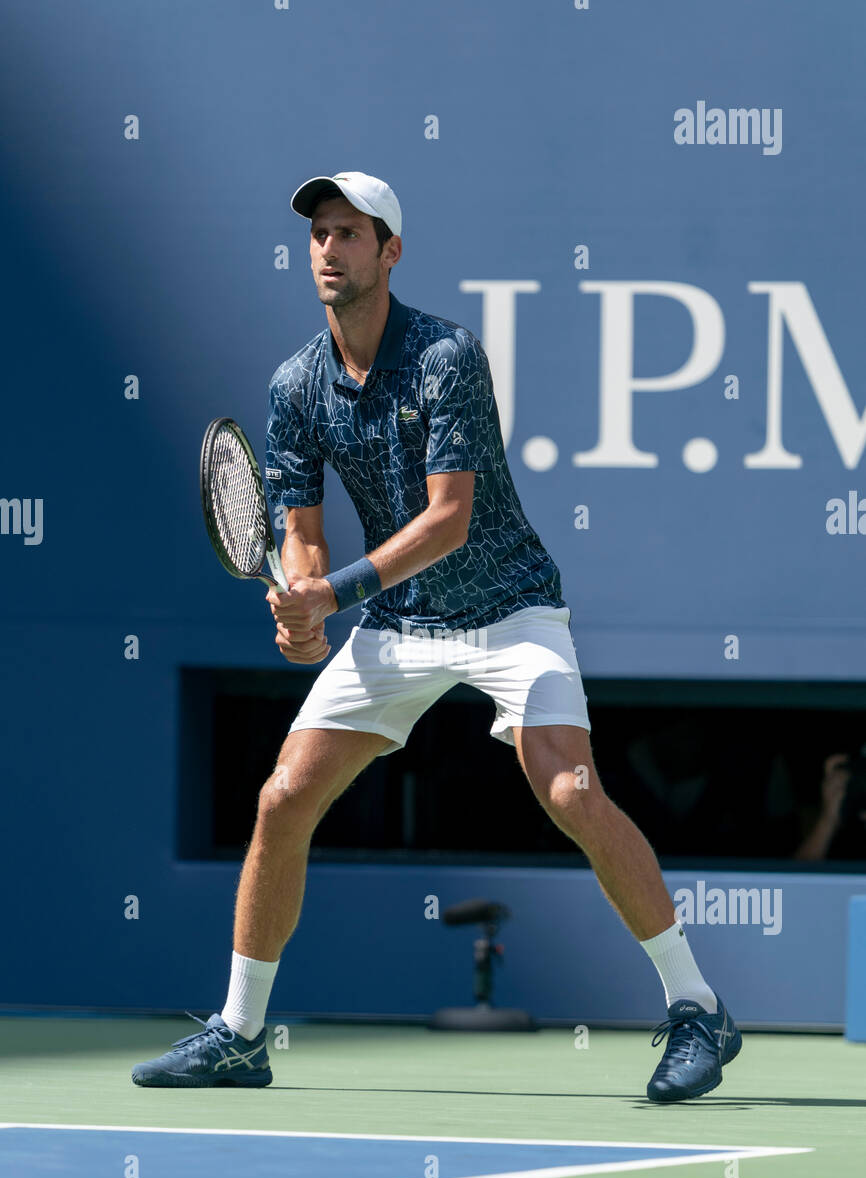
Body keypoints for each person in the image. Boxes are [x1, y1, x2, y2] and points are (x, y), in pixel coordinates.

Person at [132, 171, 741, 1101]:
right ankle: (240, 1034)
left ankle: (697, 1009)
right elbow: (300, 533)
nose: (328, 249)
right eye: (318, 235)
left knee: (572, 789)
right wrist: (301, 600)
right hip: (396, 621)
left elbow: (448, 519)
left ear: (390, 252)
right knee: (280, 800)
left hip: (508, 607)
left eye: (348, 233)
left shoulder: (446, 356)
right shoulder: (296, 384)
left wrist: (329, 594)